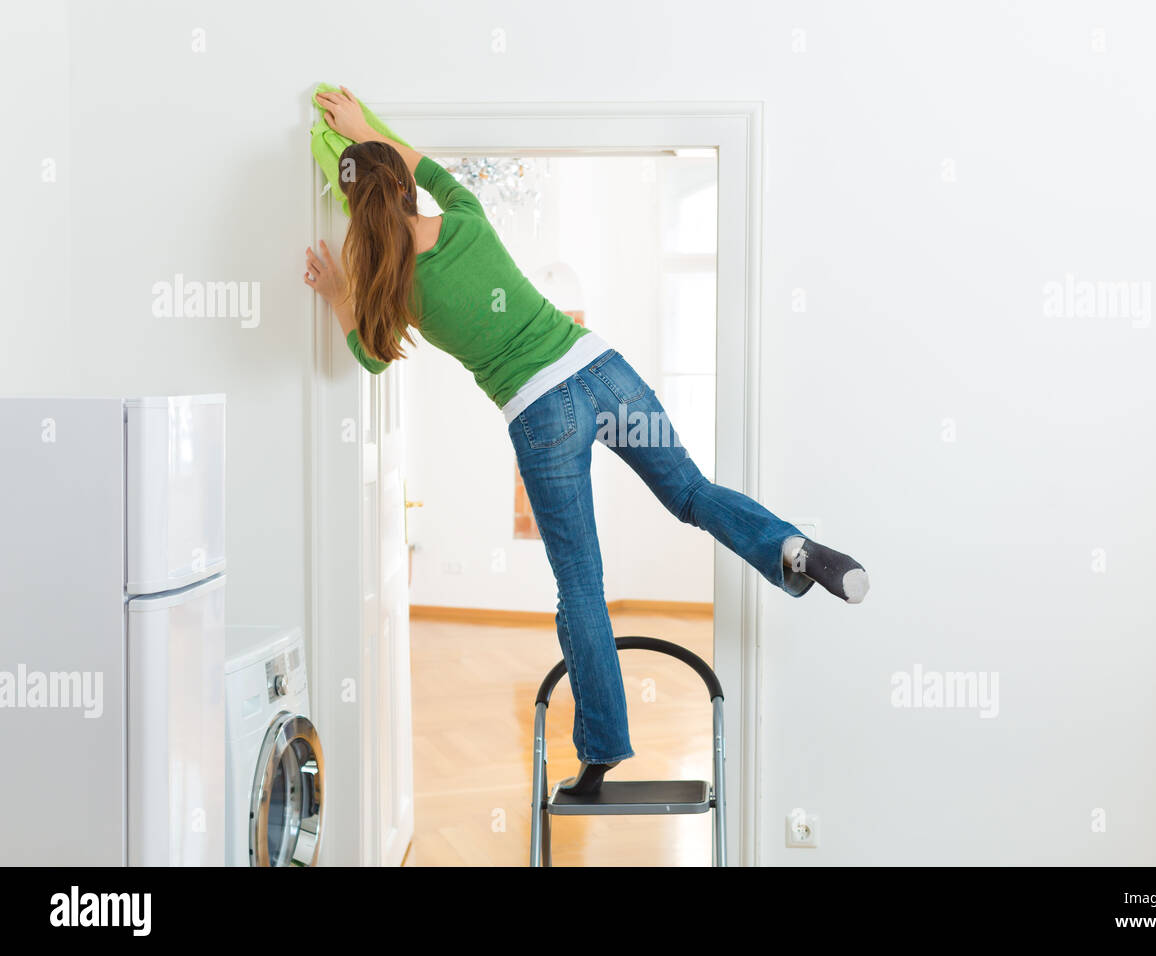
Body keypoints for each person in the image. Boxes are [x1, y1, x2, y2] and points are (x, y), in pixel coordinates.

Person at [304, 87, 868, 793]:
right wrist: (365, 130)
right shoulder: (468, 220)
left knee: (581, 583)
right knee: (691, 491)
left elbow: (372, 357)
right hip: (602, 369)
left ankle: (601, 755)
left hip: (542, 417)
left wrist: (337, 298)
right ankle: (795, 547)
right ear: (407, 187)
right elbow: (425, 167)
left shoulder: (390, 287)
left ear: (359, 211)